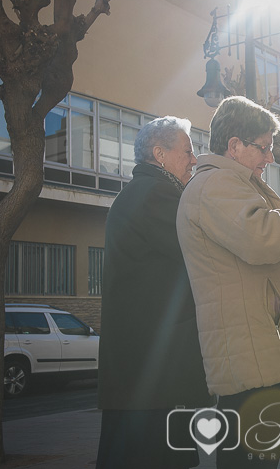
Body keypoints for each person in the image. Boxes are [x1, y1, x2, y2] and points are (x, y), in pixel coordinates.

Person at [176, 96, 280, 469]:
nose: (270, 158)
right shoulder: (216, 185)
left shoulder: (235, 183)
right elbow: (259, 237)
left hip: (261, 351)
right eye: (263, 148)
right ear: (234, 146)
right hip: (252, 356)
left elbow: (270, 239)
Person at [96, 117, 209, 468]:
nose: (194, 159)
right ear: (160, 154)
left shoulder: (141, 192)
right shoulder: (157, 194)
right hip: (156, 374)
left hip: (142, 372)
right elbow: (203, 250)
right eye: (188, 151)